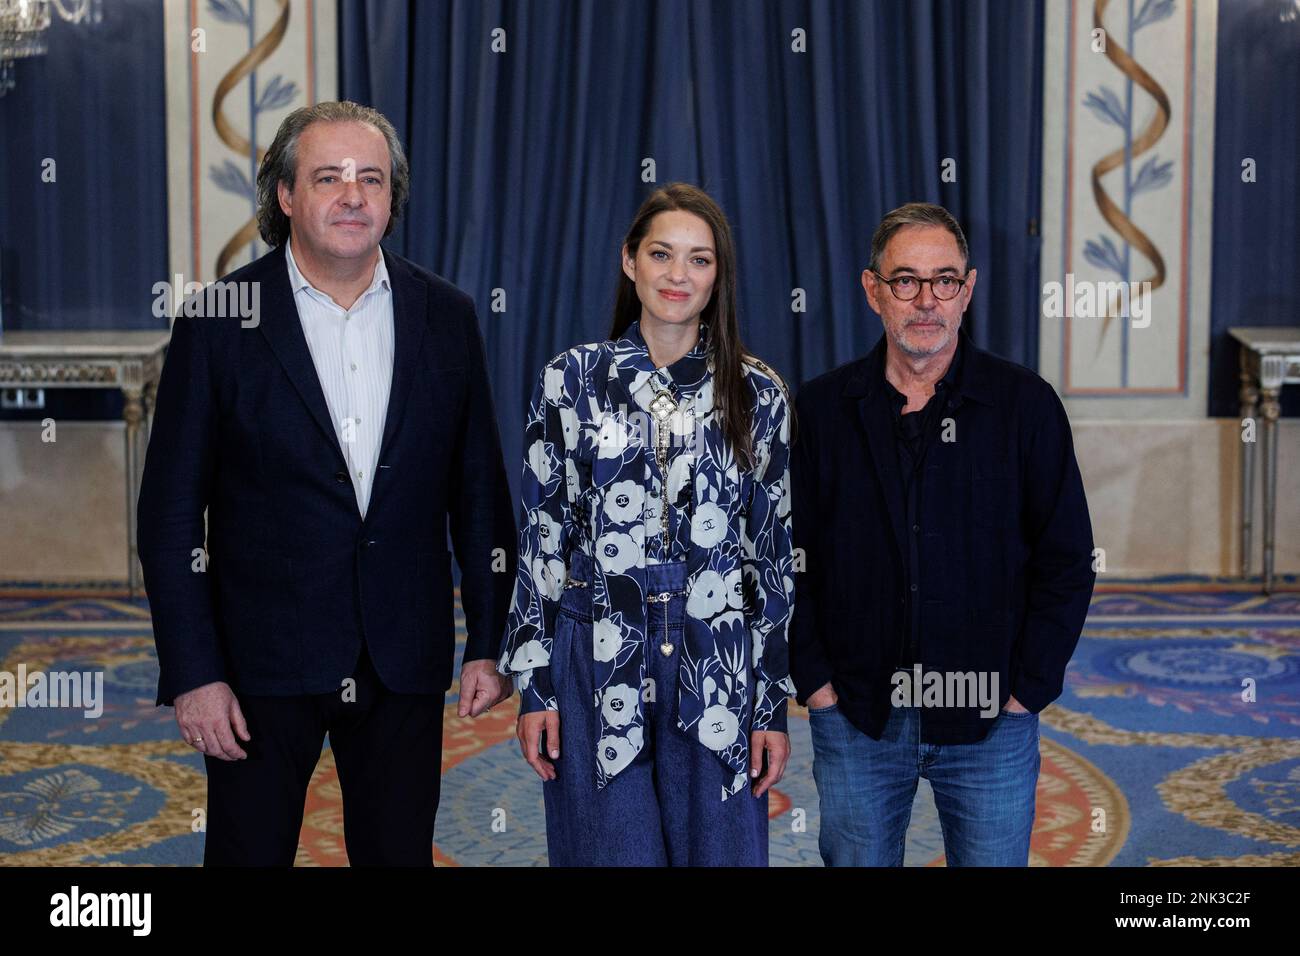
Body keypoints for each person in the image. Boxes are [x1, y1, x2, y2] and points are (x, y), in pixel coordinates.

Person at [137, 101, 516, 866]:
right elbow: (170, 515)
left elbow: (479, 492)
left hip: (402, 655)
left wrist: (487, 641)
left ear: (392, 197)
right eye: (328, 177)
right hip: (257, 665)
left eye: (370, 179)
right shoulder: (218, 321)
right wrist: (194, 673)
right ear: (285, 195)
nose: (352, 196)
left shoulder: (446, 315)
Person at [789, 202, 1095, 867]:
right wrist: (817, 685)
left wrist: (1028, 690)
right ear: (874, 291)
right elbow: (788, 560)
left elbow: (1067, 561)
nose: (926, 300)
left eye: (944, 280)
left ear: (969, 290)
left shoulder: (1026, 406)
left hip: (992, 720)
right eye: (906, 280)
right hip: (858, 717)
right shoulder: (818, 411)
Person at [498, 183, 795, 866]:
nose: (678, 275)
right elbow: (543, 540)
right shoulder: (570, 380)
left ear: (718, 276)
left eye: (699, 259)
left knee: (720, 856)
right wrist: (535, 687)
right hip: (597, 650)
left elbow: (771, 560)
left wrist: (770, 705)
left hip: (716, 656)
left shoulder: (756, 392)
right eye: (662, 254)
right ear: (630, 262)